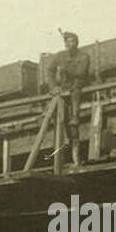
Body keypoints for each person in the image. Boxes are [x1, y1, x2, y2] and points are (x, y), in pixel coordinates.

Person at [43, 30, 90, 164]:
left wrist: (66, 70)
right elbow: (50, 71)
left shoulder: (83, 56)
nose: (69, 44)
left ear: (77, 43)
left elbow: (81, 73)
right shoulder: (60, 56)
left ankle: (76, 116)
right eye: (67, 42)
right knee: (61, 119)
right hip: (63, 89)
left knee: (75, 91)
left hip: (77, 86)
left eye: (72, 41)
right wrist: (53, 87)